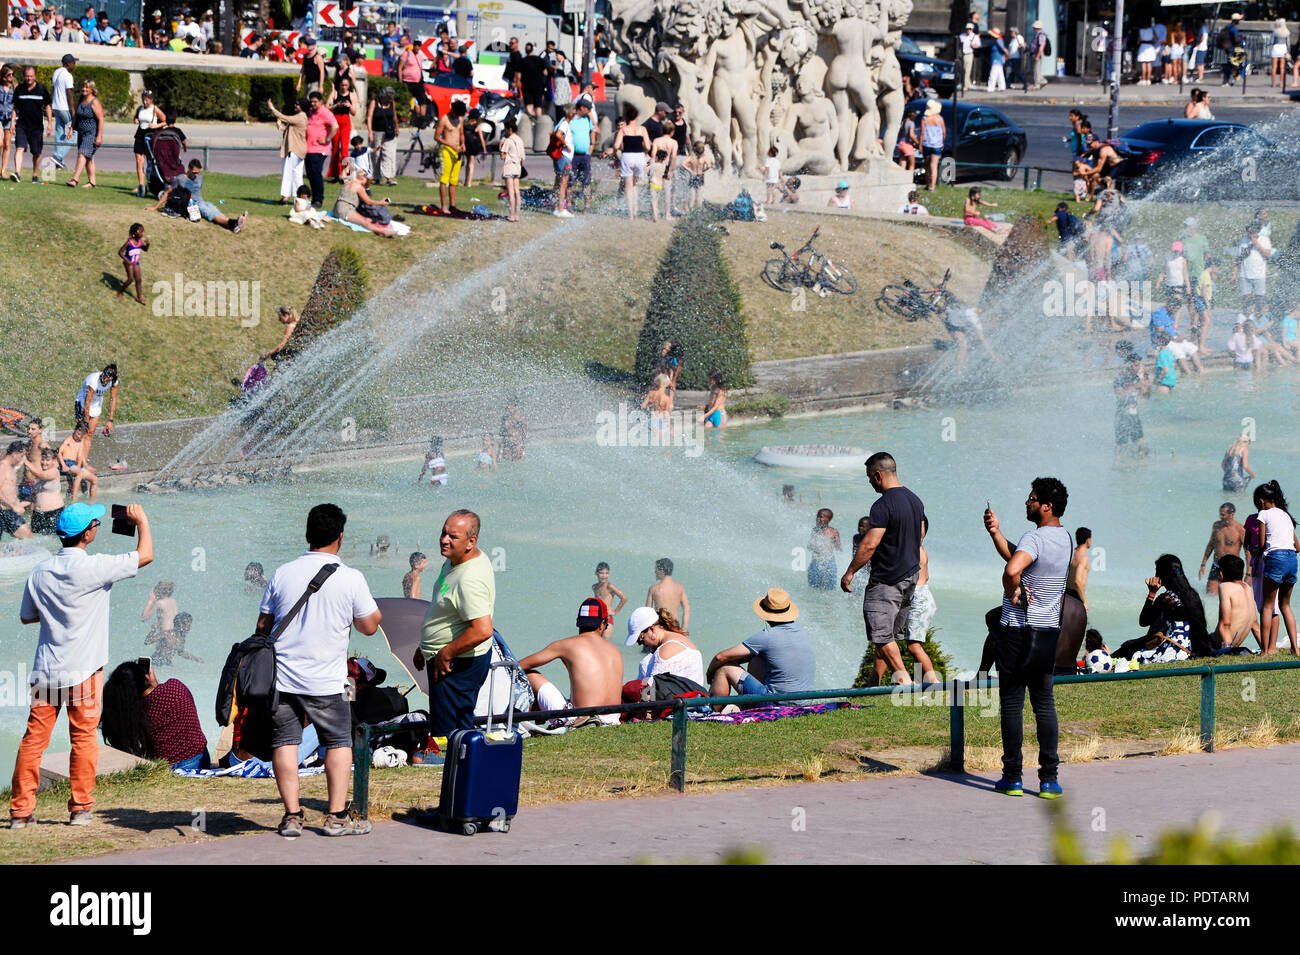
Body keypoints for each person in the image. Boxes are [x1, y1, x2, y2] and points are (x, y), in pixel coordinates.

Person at [10, 502, 153, 828]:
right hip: (84, 671)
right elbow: (144, 555)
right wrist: (141, 521)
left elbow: (26, 616)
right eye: (96, 523)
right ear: (88, 532)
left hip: (46, 670)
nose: (98, 527)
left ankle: (20, 813)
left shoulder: (40, 571)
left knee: (33, 741)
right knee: (83, 739)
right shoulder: (96, 567)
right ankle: (80, 809)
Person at [256, 503, 380, 837]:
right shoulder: (351, 578)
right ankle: (337, 817)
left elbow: (262, 626)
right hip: (332, 681)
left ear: (308, 534)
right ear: (340, 537)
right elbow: (369, 626)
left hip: (283, 679)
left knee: (285, 742)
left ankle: (292, 817)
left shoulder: (283, 573)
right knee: (339, 741)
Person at [982, 477, 1072, 798]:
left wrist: (1014, 590)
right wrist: (995, 532)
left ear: (1047, 506)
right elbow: (1017, 557)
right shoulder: (1065, 538)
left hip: (1016, 632)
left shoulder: (1034, 537)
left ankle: (1013, 777)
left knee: (1011, 703)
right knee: (1044, 704)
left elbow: (1012, 569)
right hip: (1046, 632)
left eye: (1032, 499)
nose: (1027, 502)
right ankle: (1049, 780)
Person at [840, 452, 935, 686]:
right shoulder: (915, 500)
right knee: (888, 635)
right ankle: (875, 682)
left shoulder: (883, 504)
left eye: (870, 478)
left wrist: (850, 571)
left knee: (881, 634)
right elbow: (921, 534)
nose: (870, 482)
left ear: (878, 474)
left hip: (887, 579)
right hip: (910, 577)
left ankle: (905, 681)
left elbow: (870, 543)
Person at [416, 510, 496, 737]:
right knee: (449, 721)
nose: (444, 540)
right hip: (447, 657)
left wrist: (445, 653)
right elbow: (445, 605)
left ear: (471, 542)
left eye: (453, 537)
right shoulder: (455, 561)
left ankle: (451, 766)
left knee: (450, 731)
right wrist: (423, 644)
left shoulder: (469, 579)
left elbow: (483, 630)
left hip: (458, 664)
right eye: (443, 533)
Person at [519, 598, 623, 726]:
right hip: (613, 720)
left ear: (578, 623)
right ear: (602, 624)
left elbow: (517, 667)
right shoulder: (616, 651)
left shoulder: (566, 645)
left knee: (530, 675)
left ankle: (520, 725)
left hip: (581, 719)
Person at [707, 588, 815, 702]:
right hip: (803, 701)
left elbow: (721, 657)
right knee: (757, 659)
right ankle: (745, 704)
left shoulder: (767, 636)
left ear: (766, 615)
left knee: (724, 667)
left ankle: (714, 711)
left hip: (776, 703)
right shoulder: (801, 632)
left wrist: (710, 672)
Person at [100, 660, 210, 770]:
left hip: (164, 768)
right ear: (146, 678)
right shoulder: (175, 687)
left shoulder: (132, 713)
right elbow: (159, 697)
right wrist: (153, 684)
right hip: (199, 761)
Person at [1253, 481, 1298, 655]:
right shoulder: (1286, 516)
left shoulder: (1264, 514)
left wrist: (1256, 551)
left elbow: (1263, 543)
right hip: (1292, 558)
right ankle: (1295, 648)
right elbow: (1297, 546)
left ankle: (1264, 650)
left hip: (1276, 558)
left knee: (1267, 605)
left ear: (1262, 501)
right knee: (1285, 605)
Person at [153, 159, 248, 233]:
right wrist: (155, 207)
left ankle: (234, 225)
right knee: (210, 213)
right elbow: (167, 193)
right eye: (194, 173)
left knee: (214, 209)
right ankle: (234, 223)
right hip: (193, 205)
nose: (196, 175)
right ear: (189, 169)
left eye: (198, 173)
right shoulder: (179, 179)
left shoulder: (200, 178)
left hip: (203, 202)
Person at [626, 605, 704, 685]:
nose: (640, 644)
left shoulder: (665, 651)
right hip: (694, 696)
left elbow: (651, 692)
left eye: (640, 639)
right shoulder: (684, 640)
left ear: (652, 629)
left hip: (678, 697)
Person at [606, 105, 650, 220]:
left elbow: (616, 145)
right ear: (636, 117)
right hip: (639, 157)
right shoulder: (642, 129)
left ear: (627, 118)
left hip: (627, 156)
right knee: (635, 185)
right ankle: (635, 210)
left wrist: (616, 150)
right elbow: (648, 146)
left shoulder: (623, 130)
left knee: (629, 187)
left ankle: (630, 214)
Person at [12, 66, 52, 184]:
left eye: (31, 76)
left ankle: (35, 175)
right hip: (21, 125)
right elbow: (14, 107)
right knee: (19, 148)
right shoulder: (19, 89)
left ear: (35, 76)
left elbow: (48, 106)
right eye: (27, 76)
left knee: (36, 152)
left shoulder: (41, 89)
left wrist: (50, 123)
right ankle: (17, 173)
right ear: (24, 76)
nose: (28, 78)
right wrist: (12, 123)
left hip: (36, 127)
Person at [1213, 555, 1259, 651]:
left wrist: (1228, 652)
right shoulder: (1248, 588)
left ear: (1221, 574)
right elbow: (1255, 625)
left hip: (1220, 644)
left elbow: (1225, 624)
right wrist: (1265, 648)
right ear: (1242, 573)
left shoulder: (1225, 587)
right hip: (1236, 643)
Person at [332, 170, 395, 237]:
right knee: (365, 221)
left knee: (366, 219)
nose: (367, 181)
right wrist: (381, 202)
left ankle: (380, 230)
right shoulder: (359, 187)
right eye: (366, 179)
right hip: (345, 211)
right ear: (363, 177)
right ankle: (383, 232)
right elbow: (368, 201)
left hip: (336, 209)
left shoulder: (347, 183)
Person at [434, 99, 466, 213]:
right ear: (452, 110)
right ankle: (443, 206)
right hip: (446, 150)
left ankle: (452, 205)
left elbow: (461, 134)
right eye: (456, 114)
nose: (457, 117)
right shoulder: (444, 119)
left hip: (457, 151)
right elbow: (437, 137)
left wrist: (462, 144)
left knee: (454, 179)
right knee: (444, 178)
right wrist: (451, 145)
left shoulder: (460, 119)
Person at [325, 76, 358, 183]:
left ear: (349, 86)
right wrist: (336, 105)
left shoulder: (352, 95)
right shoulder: (334, 93)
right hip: (335, 122)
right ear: (339, 85)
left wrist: (349, 105)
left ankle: (347, 175)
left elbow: (354, 112)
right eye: (342, 85)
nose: (344, 87)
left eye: (346, 85)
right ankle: (335, 175)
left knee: (344, 150)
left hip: (345, 122)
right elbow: (326, 108)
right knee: (335, 150)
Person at [568, 97, 597, 213]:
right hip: (573, 155)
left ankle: (587, 206)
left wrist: (591, 147)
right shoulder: (570, 119)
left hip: (585, 155)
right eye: (589, 109)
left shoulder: (588, 119)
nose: (590, 111)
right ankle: (569, 203)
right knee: (571, 181)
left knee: (586, 182)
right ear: (582, 108)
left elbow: (593, 132)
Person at [0, 441, 34, 540]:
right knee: (27, 537)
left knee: (26, 537)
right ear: (15, 454)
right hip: (3, 511)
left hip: (7, 511)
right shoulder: (3, 467)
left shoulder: (10, 467)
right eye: (21, 456)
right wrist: (13, 506)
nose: (22, 459)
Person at [367, 86, 399, 187]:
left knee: (389, 155)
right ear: (384, 96)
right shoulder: (374, 102)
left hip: (389, 133)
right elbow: (369, 117)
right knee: (375, 156)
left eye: (391, 98)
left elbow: (394, 115)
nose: (390, 100)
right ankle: (376, 177)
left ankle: (389, 178)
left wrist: (397, 127)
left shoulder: (392, 103)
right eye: (389, 98)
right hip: (376, 132)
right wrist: (370, 132)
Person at [646, 557, 690, 629]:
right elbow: (686, 609)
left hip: (659, 628)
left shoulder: (654, 589)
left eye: (656, 569)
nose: (655, 571)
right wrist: (684, 629)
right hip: (675, 628)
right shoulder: (679, 587)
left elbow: (647, 612)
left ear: (662, 571)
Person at [50, 53, 76, 173]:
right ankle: (58, 156)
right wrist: (73, 109)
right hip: (64, 107)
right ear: (68, 64)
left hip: (55, 106)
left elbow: (53, 89)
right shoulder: (67, 75)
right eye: (73, 63)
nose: (74, 65)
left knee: (60, 133)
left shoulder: (56, 72)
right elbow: (69, 93)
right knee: (74, 133)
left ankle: (58, 161)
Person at [57, 423, 97, 500]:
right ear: (75, 430)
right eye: (78, 434)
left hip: (75, 465)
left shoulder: (80, 441)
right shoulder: (69, 439)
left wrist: (82, 465)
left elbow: (80, 456)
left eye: (81, 436)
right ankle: (74, 499)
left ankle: (92, 501)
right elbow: (59, 452)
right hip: (67, 463)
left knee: (94, 479)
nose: (79, 437)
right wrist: (63, 465)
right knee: (80, 473)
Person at [807, 508, 840, 590]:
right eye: (817, 517)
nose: (818, 519)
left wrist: (833, 544)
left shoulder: (833, 531)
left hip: (829, 564)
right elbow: (809, 546)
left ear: (829, 519)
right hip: (815, 563)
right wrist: (813, 546)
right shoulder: (814, 530)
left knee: (829, 589)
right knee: (813, 588)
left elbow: (839, 548)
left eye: (821, 517)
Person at [116, 222, 148, 305]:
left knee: (139, 280)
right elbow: (120, 252)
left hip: (136, 263)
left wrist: (148, 245)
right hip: (128, 263)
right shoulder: (129, 242)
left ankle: (139, 298)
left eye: (143, 231)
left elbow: (145, 249)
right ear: (135, 233)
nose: (142, 233)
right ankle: (120, 292)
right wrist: (127, 261)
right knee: (130, 279)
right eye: (141, 231)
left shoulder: (139, 242)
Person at [499, 116, 524, 222]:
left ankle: (511, 214)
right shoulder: (520, 140)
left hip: (509, 167)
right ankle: (517, 215)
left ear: (509, 129)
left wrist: (501, 146)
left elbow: (502, 156)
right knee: (517, 192)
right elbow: (523, 158)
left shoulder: (508, 140)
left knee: (510, 192)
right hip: (517, 167)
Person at [1067, 527, 1092, 612]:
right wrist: (1085, 601)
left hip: (1066, 594)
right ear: (1088, 540)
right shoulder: (1083, 558)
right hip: (1076, 596)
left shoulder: (1071, 554)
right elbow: (1078, 581)